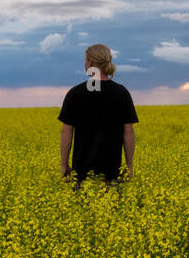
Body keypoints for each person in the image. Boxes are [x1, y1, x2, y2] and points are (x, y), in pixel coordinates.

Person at [57, 44, 137, 190]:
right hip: (112, 174)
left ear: (91, 63)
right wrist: (129, 166)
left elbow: (67, 133)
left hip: (82, 174)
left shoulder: (75, 93)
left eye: (86, 60)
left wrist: (64, 165)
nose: (85, 64)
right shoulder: (121, 93)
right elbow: (128, 132)